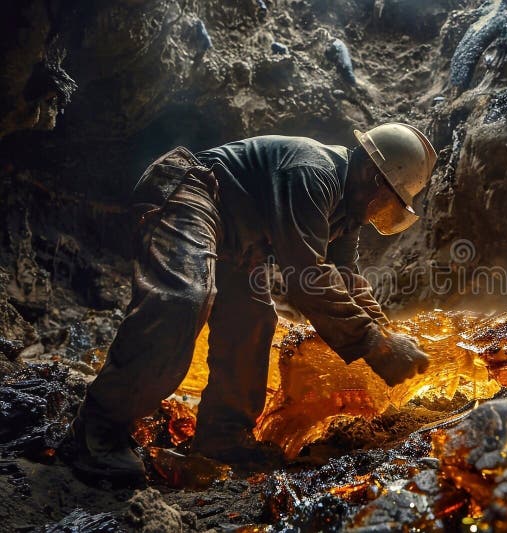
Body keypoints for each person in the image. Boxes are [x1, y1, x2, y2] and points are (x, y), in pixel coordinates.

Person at [65, 123, 437, 483]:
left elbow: (347, 276)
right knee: (183, 297)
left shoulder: (347, 211)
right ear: (373, 177)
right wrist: (376, 345)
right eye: (388, 201)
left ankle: (221, 439)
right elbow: (305, 275)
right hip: (193, 192)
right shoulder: (313, 172)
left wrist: (386, 332)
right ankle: (98, 428)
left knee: (253, 320)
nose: (380, 213)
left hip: (240, 240)